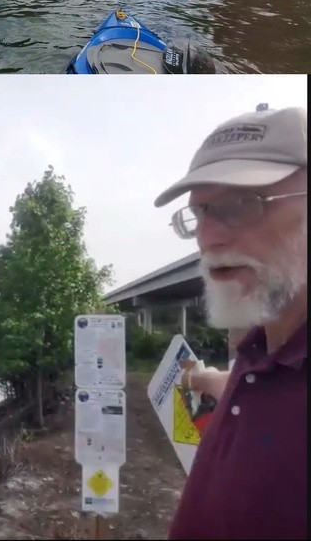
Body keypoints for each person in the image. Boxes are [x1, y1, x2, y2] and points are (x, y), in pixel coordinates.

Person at [154, 105, 307, 540]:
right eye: (199, 214)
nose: (207, 238)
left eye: (241, 203)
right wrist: (212, 380)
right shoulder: (260, 356)